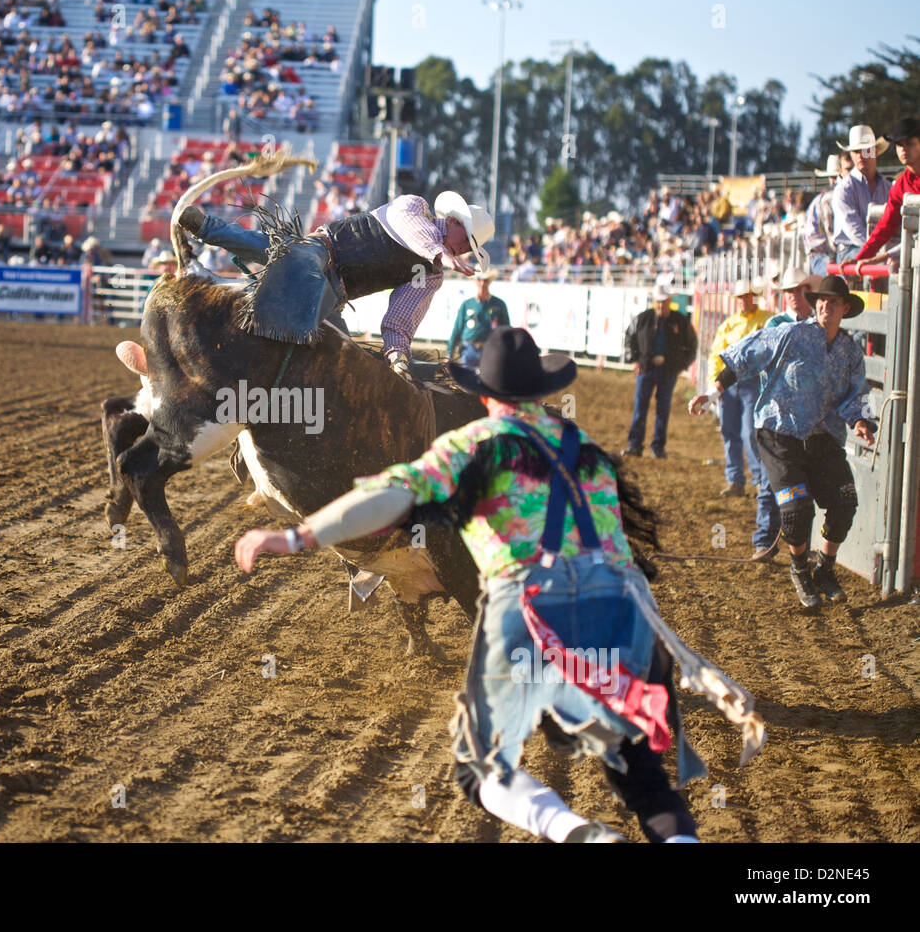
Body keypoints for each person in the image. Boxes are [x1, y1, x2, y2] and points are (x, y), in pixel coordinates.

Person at [235, 327, 764, 842]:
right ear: (540, 392)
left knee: (480, 767)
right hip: (612, 609)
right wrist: (682, 658)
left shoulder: (474, 445)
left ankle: (579, 834)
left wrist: (300, 535)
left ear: (484, 396)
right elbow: (620, 562)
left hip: (528, 608)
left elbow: (391, 494)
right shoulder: (581, 450)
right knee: (641, 776)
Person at [690, 276, 876, 609]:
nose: (824, 306)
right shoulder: (791, 334)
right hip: (779, 433)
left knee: (845, 501)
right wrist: (712, 392)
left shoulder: (850, 351)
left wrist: (861, 421)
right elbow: (745, 355)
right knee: (796, 509)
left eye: (833, 302)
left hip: (823, 437)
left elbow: (857, 392)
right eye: (820, 300)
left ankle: (825, 568)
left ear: (845, 308)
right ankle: (800, 568)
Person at [178, 191, 490, 378]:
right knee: (284, 252)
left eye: (469, 250)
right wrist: (440, 254)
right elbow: (410, 230)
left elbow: (402, 315)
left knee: (335, 354)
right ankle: (207, 228)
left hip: (335, 292)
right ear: (451, 221)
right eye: (466, 241)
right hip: (324, 250)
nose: (463, 250)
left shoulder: (432, 273)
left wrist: (397, 354)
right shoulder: (415, 207)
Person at [706, 280, 772, 497]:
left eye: (748, 296)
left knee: (748, 432)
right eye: (741, 297)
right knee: (730, 431)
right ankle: (737, 480)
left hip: (752, 383)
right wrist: (714, 385)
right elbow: (716, 355)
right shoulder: (730, 324)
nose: (744, 301)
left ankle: (758, 480)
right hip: (730, 383)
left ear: (754, 297)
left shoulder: (766, 320)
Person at [622, 286, 697, 460]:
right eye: (658, 303)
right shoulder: (643, 319)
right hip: (646, 369)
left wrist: (680, 366)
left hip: (668, 371)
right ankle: (635, 445)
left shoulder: (680, 321)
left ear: (669, 302)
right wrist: (634, 360)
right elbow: (629, 338)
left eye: (663, 303)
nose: (660, 307)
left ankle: (657, 447)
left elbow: (691, 346)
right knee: (641, 408)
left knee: (662, 410)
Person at [843, 117, 920, 270]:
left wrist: (882, 255)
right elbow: (885, 227)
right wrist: (862, 257)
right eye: (899, 145)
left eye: (909, 143)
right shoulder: (900, 186)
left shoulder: (899, 185)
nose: (903, 149)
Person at [831, 125, 892, 263]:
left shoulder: (888, 187)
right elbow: (855, 232)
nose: (860, 155)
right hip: (850, 249)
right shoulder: (843, 190)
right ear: (851, 155)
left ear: (875, 151)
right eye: (856, 151)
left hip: (876, 248)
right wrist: (881, 252)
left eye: (866, 149)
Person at [446, 269, 510, 369]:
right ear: (476, 281)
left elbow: (506, 330)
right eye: (480, 279)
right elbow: (457, 329)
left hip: (490, 350)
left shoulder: (499, 304)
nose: (482, 283)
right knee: (466, 381)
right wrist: (449, 353)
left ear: (489, 281)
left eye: (485, 280)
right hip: (468, 349)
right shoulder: (467, 304)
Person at [803, 153, 848, 275]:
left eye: (836, 177)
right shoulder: (828, 199)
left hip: (822, 254)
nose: (834, 181)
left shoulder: (824, 198)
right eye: (833, 177)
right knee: (841, 276)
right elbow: (832, 240)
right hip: (820, 255)